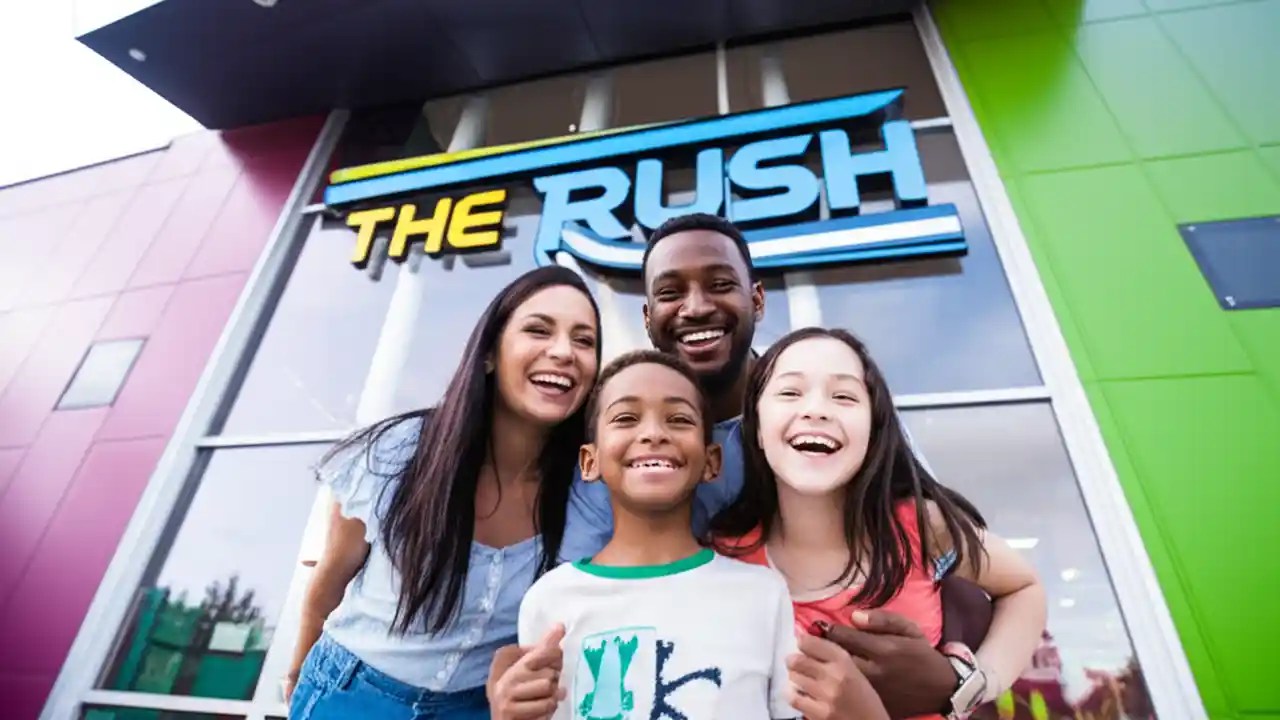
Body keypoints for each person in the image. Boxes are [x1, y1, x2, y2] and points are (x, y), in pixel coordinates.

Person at [492, 213, 993, 719]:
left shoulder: (827, 417)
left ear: (756, 299)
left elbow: (948, 562)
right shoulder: (619, 463)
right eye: (670, 293)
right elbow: (585, 599)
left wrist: (955, 678)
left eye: (720, 284)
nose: (695, 306)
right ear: (647, 318)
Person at [284, 265, 602, 720]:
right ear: (489, 353)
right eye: (538, 330)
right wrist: (296, 673)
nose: (563, 352)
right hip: (351, 697)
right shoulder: (394, 454)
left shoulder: (590, 495)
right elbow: (329, 581)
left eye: (584, 341)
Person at [508, 350, 888, 720]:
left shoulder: (762, 594)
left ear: (712, 462)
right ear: (590, 462)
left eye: (678, 419)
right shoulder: (550, 600)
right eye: (626, 418)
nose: (653, 433)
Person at [714, 327, 1047, 719]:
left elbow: (1024, 588)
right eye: (790, 392)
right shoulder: (721, 563)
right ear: (755, 427)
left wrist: (967, 685)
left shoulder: (920, 526)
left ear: (873, 429)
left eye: (844, 396)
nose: (817, 410)